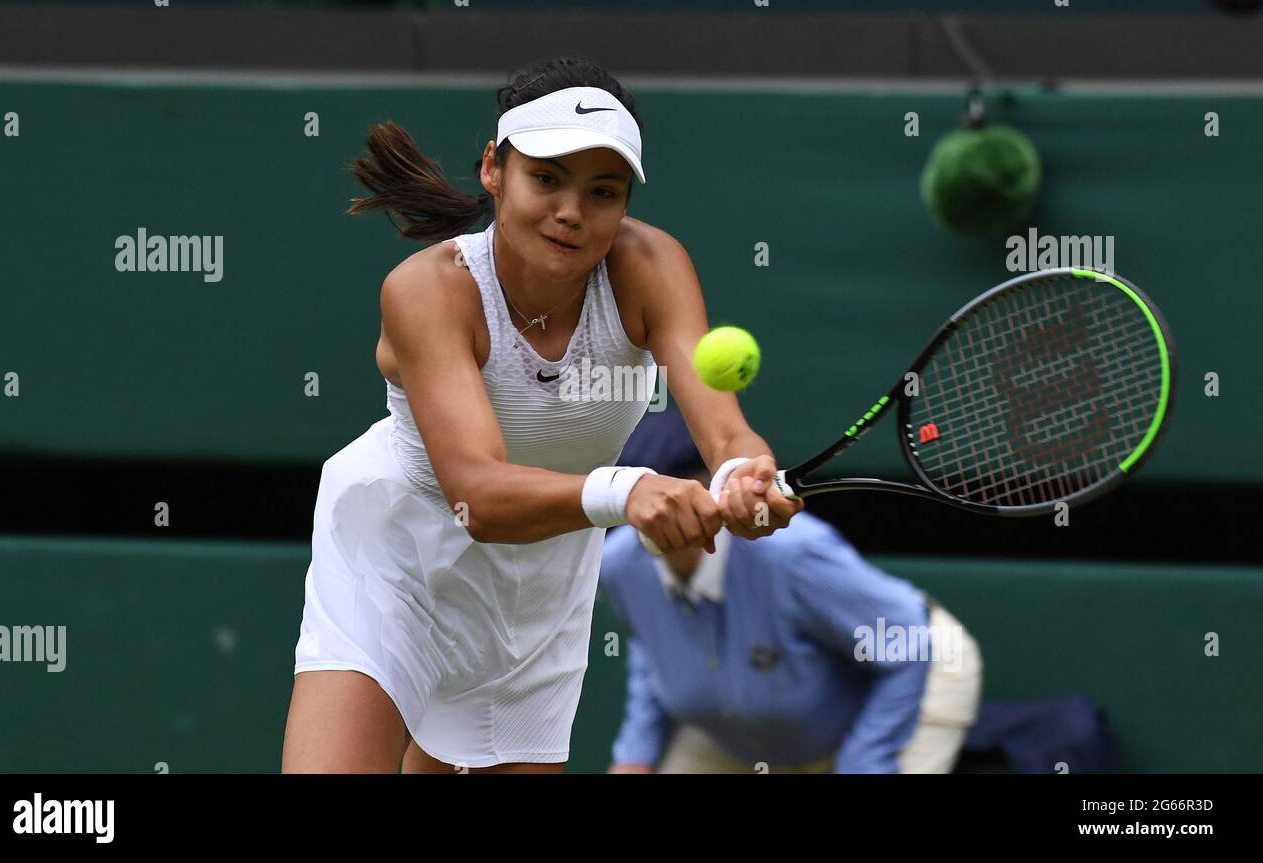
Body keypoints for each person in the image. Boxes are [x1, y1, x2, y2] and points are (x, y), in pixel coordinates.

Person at [280, 55, 804, 774]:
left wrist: (744, 474)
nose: (571, 211)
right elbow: (478, 495)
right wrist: (630, 489)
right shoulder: (430, 289)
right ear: (494, 168)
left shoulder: (650, 265)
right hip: (394, 562)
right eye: (547, 178)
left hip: (539, 589)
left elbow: (725, 432)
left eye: (603, 191)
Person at [600, 407, 982, 774]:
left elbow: (908, 645)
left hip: (920, 662)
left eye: (673, 496)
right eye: (642, 499)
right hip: (747, 733)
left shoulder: (792, 556)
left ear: (709, 490)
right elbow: (654, 650)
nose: (655, 514)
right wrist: (636, 754)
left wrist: (864, 763)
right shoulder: (620, 566)